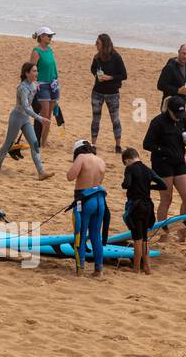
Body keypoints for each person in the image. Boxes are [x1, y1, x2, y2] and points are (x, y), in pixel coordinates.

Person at [144, 96, 186, 230]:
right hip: (162, 163)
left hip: (179, 161)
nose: (179, 117)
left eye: (181, 114)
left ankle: (182, 226)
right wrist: (164, 150)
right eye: (176, 114)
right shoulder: (158, 122)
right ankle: (162, 229)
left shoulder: (182, 119)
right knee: (167, 198)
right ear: (169, 111)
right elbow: (147, 144)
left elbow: (184, 134)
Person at [0, 61, 51, 179]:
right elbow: (25, 106)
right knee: (8, 144)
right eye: (34, 71)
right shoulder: (22, 88)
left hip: (25, 118)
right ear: (27, 73)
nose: (37, 73)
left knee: (35, 143)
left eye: (36, 71)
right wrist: (39, 118)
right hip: (16, 118)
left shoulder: (34, 85)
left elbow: (32, 104)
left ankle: (41, 172)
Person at [120, 147, 167, 273]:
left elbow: (127, 184)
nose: (126, 165)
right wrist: (149, 186)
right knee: (145, 238)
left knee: (137, 239)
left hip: (136, 206)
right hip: (148, 206)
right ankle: (147, 267)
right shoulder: (148, 169)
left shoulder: (130, 168)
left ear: (128, 159)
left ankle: (136, 268)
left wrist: (124, 184)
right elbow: (163, 185)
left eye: (125, 162)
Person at [66, 139, 108, 276]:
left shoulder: (81, 157)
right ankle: (98, 270)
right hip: (100, 201)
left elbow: (70, 177)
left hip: (84, 201)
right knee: (96, 235)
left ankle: (80, 269)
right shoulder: (101, 160)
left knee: (81, 235)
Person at [89, 33, 127, 154]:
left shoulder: (116, 57)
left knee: (115, 119)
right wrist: (97, 74)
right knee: (96, 119)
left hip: (112, 93)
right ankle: (93, 144)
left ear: (104, 44)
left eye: (98, 43)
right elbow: (92, 69)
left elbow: (123, 75)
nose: (95, 44)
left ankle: (118, 145)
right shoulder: (97, 57)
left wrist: (109, 77)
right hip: (97, 92)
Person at [29, 27, 59, 146]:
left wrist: (57, 81)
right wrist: (33, 83)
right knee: (44, 115)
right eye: (49, 35)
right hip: (42, 86)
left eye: (51, 36)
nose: (51, 38)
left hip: (53, 85)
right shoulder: (36, 51)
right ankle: (38, 140)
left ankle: (44, 142)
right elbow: (31, 68)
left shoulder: (49, 49)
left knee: (49, 115)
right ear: (42, 37)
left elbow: (53, 67)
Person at [157, 44, 186, 129]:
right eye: (183, 53)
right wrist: (177, 90)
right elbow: (160, 85)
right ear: (178, 52)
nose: (185, 56)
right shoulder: (170, 67)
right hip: (169, 106)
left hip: (181, 107)